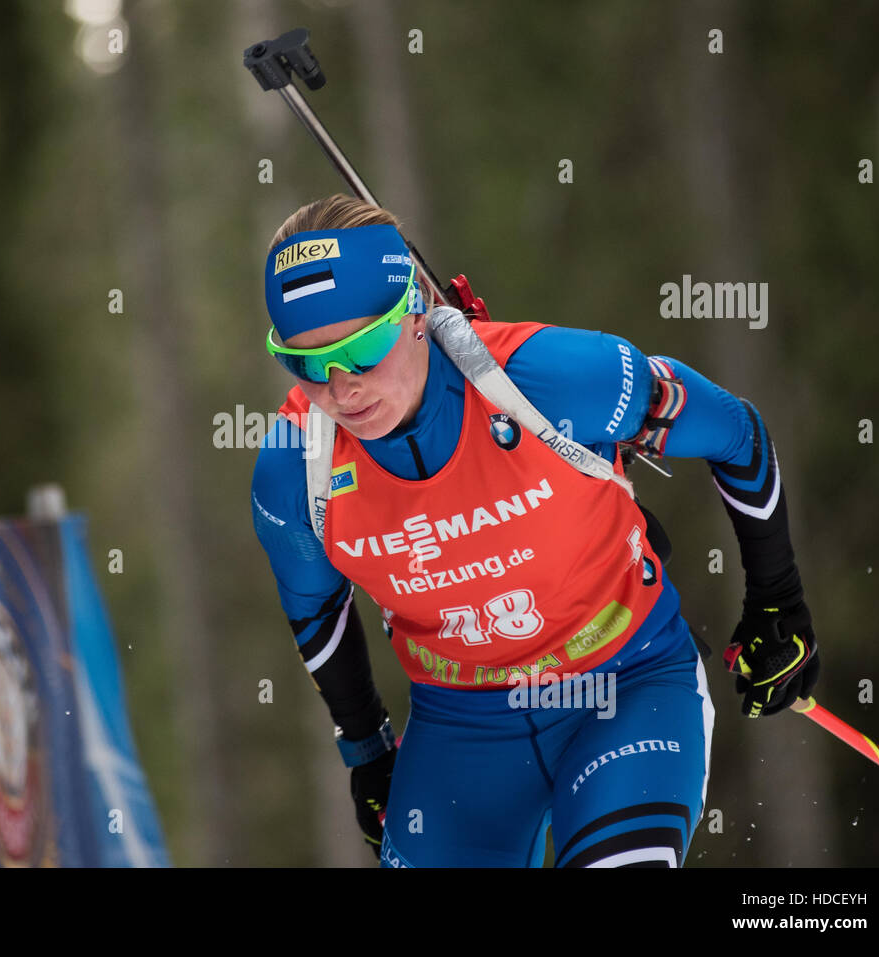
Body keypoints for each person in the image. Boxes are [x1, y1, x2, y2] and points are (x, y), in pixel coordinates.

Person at [250, 194, 820, 867]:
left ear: (414, 312)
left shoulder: (553, 379)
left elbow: (734, 431)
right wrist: (367, 755)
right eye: (308, 364)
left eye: (363, 348)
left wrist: (776, 599)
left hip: (625, 685)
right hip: (460, 731)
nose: (342, 389)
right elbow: (316, 609)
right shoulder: (298, 470)